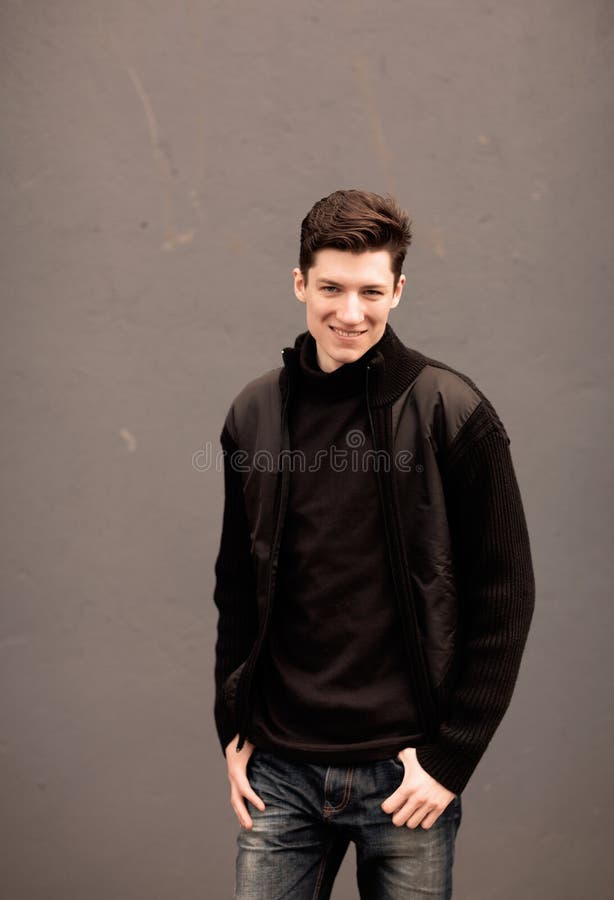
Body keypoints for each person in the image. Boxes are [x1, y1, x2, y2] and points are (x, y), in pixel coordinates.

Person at [212, 188, 535, 900]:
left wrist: (452, 758)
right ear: (300, 283)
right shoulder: (255, 413)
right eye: (329, 288)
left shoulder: (452, 410)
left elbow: (506, 592)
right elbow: (237, 582)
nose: (348, 313)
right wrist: (231, 725)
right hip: (280, 774)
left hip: (404, 774)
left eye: (370, 291)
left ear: (398, 289)